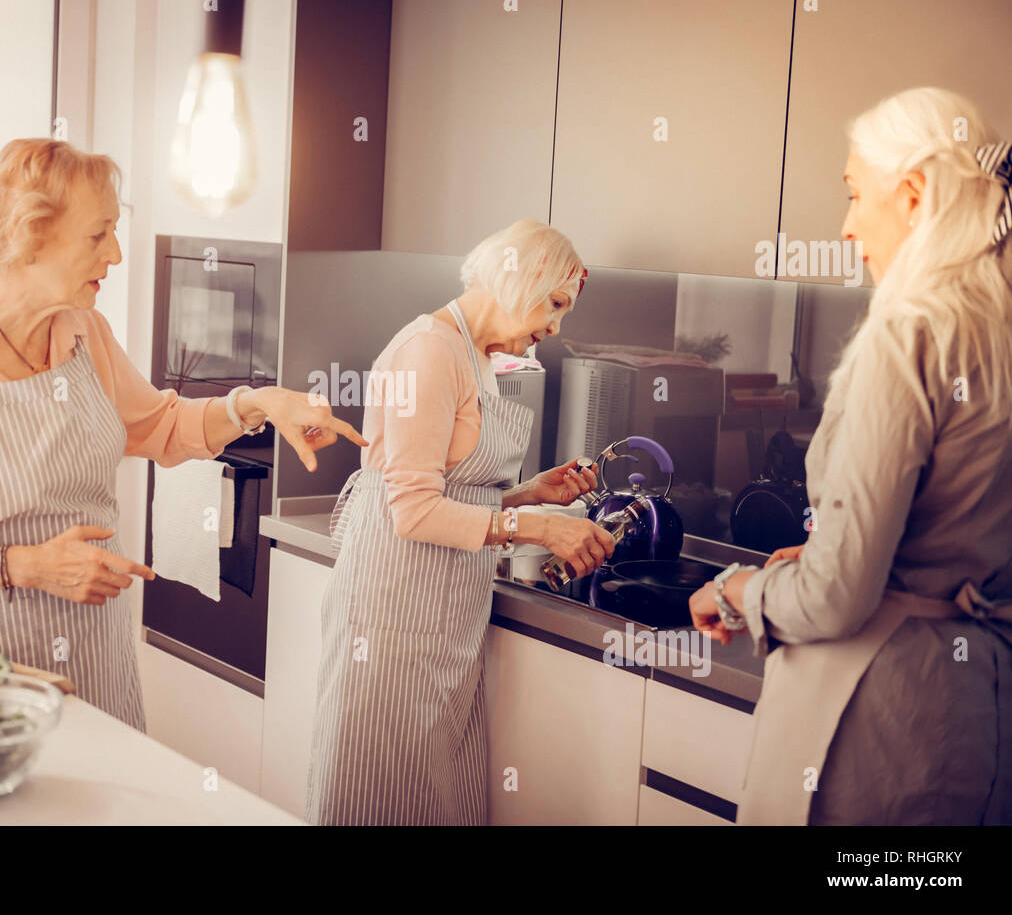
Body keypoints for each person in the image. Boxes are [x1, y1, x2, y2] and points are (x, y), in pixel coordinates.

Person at [0, 138, 362, 731]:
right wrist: (27, 566)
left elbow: (162, 427)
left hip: (99, 656)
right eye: (98, 235)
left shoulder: (82, 331)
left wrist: (259, 403)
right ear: (30, 236)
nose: (116, 254)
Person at [689, 87, 1012, 824]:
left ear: (913, 195)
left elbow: (838, 597)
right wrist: (832, 547)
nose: (846, 225)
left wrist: (739, 589)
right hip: (979, 718)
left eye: (854, 194)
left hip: (880, 720)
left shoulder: (910, 335)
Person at [304, 219, 616, 824]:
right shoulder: (428, 351)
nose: (554, 329)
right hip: (390, 615)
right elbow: (415, 509)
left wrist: (525, 494)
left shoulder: (472, 353)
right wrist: (540, 528)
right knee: (377, 789)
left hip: (442, 612)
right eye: (554, 305)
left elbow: (449, 486)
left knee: (432, 791)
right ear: (512, 278)